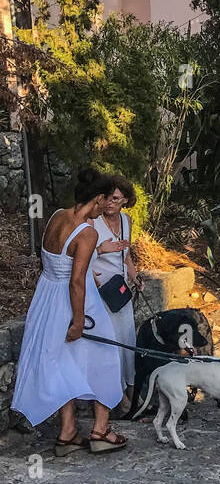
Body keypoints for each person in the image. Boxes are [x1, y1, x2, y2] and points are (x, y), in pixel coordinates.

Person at [11, 168, 127, 454]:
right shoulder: (87, 233)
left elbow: (47, 261)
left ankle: (68, 432)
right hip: (77, 302)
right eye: (105, 201)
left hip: (47, 298)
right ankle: (100, 431)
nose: (106, 208)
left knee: (64, 363)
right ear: (98, 199)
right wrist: (78, 321)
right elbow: (77, 281)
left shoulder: (56, 216)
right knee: (107, 358)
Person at [91, 173, 142, 412]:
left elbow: (126, 255)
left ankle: (133, 390)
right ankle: (118, 397)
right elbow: (81, 256)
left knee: (127, 341)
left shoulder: (126, 221)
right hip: (101, 290)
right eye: (108, 198)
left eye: (116, 198)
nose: (110, 203)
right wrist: (101, 249)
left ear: (125, 200)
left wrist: (135, 277)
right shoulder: (93, 222)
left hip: (120, 290)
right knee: (109, 344)